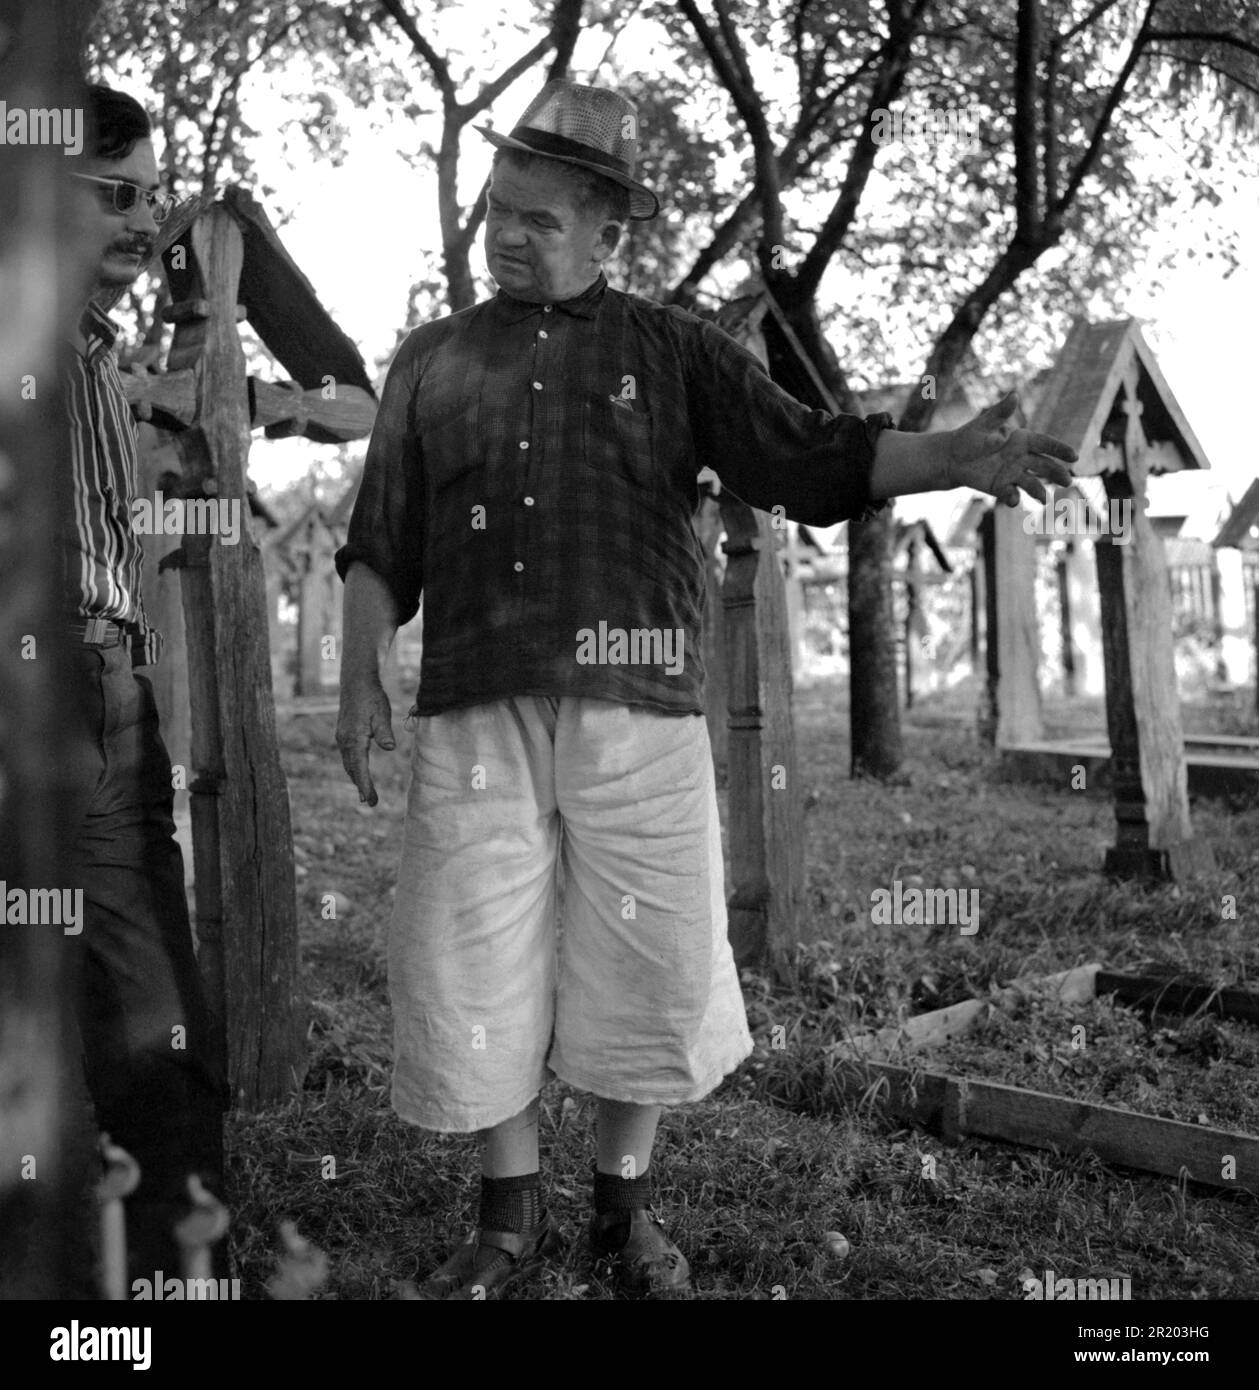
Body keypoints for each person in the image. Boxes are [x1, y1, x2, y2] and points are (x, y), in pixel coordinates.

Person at [335, 80, 1074, 1300]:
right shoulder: (430, 360)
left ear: (608, 235)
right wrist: (362, 672)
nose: (505, 236)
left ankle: (622, 1218)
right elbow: (381, 541)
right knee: (473, 951)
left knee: (648, 957)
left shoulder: (674, 352)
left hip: (641, 712)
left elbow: (808, 452)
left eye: (538, 220)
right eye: (495, 213)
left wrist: (949, 456)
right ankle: (505, 1222)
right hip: (476, 709)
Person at [57, 84, 228, 1291]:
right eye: (115, 195)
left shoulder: (93, 363)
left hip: (107, 686)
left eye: (153, 199)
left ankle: (168, 1274)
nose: (145, 223)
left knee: (148, 1005)